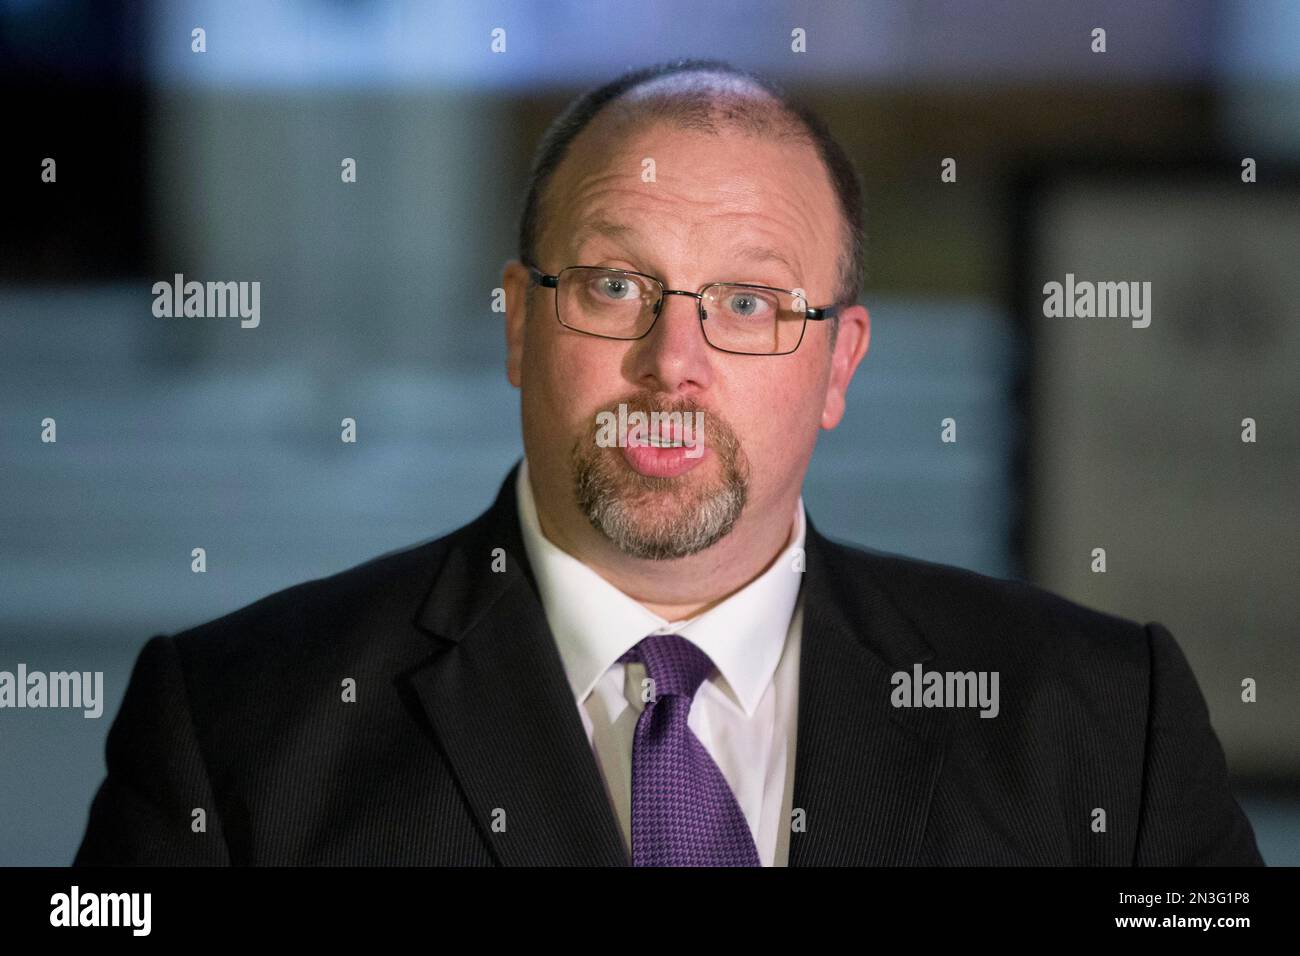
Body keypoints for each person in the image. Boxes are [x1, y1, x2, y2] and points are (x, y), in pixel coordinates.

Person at [74, 58, 1263, 867]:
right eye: (612, 285)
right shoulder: (236, 729)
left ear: (839, 362)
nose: (672, 362)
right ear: (519, 322)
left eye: (748, 302)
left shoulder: (1102, 722)